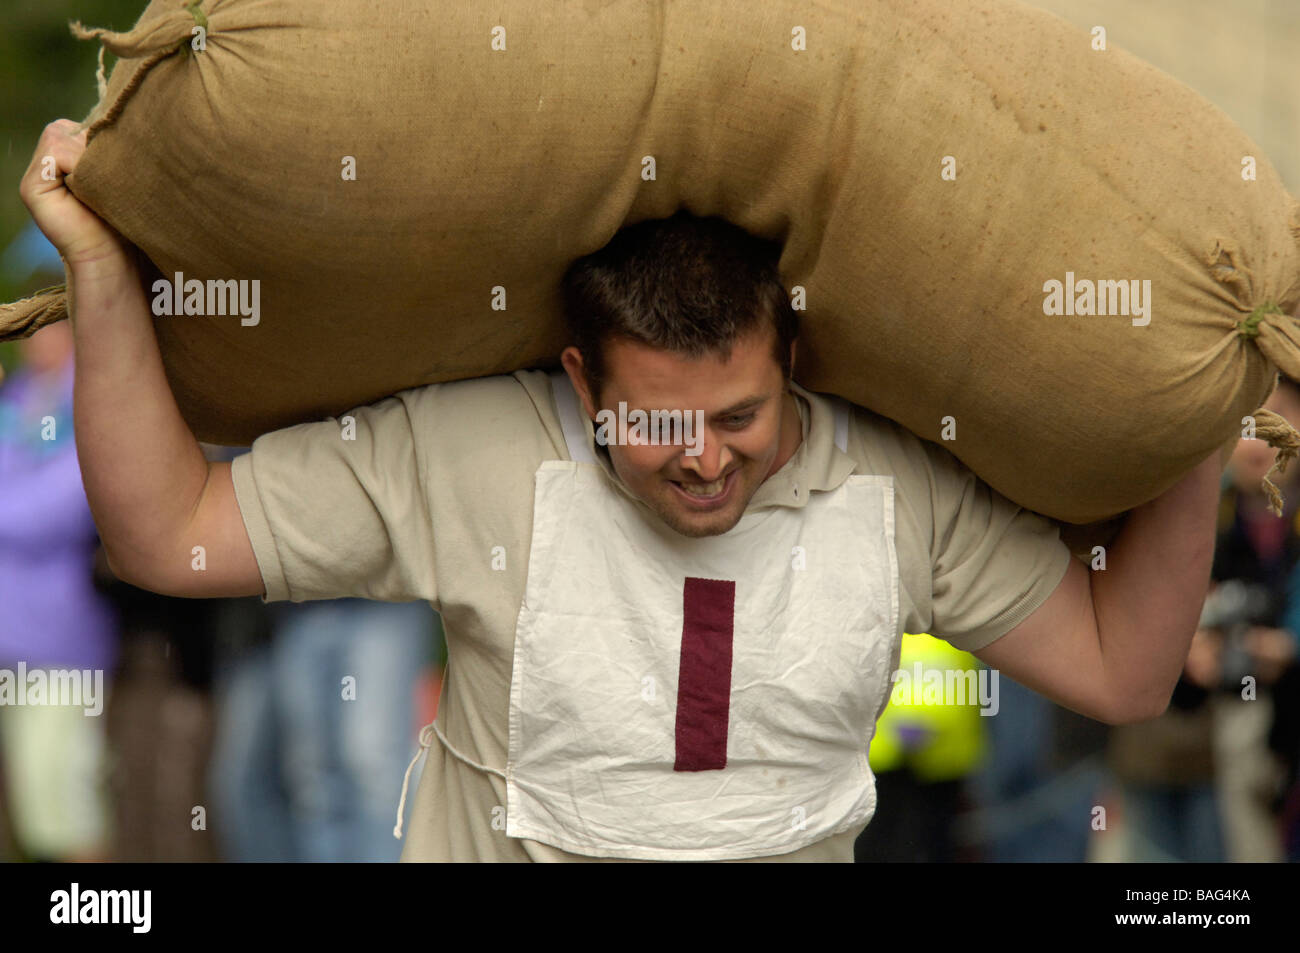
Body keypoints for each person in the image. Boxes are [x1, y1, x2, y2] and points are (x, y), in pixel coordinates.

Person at [23, 119, 1234, 862]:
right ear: (579, 381)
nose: (704, 459)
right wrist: (98, 268)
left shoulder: (897, 484)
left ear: (793, 365)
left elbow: (1121, 667)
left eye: (741, 415)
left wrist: (1199, 400)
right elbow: (166, 532)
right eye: (655, 422)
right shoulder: (472, 450)